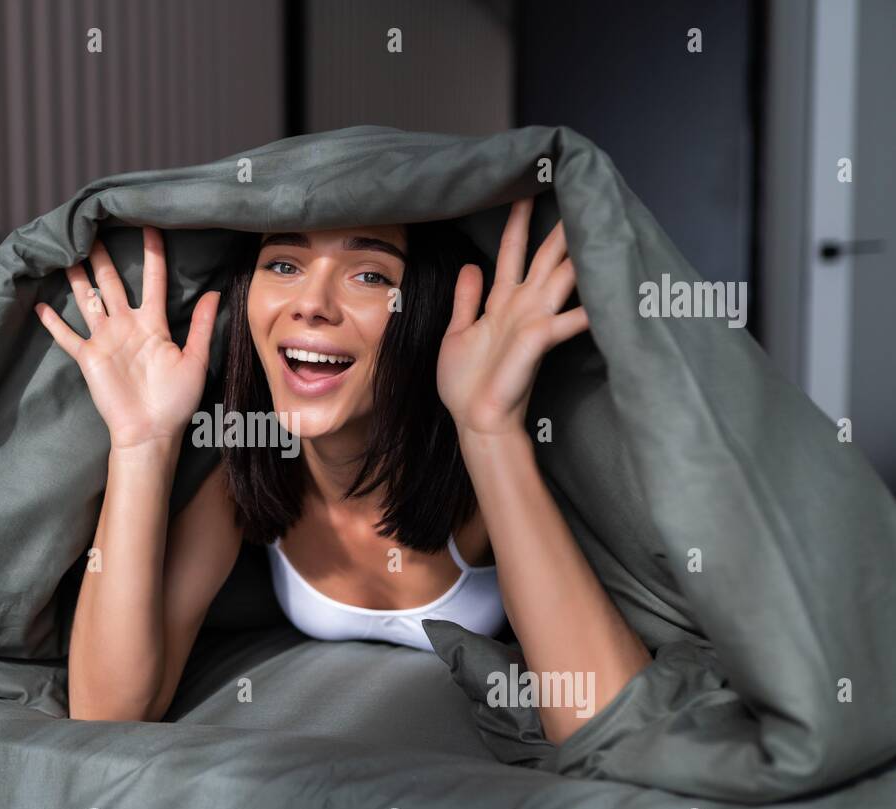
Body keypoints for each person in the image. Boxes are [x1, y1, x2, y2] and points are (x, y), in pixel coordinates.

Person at [35, 197, 653, 742]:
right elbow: (107, 712)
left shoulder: (481, 470)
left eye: (368, 274)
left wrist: (490, 429)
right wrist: (141, 441)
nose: (312, 304)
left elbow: (608, 723)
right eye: (284, 265)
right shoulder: (243, 471)